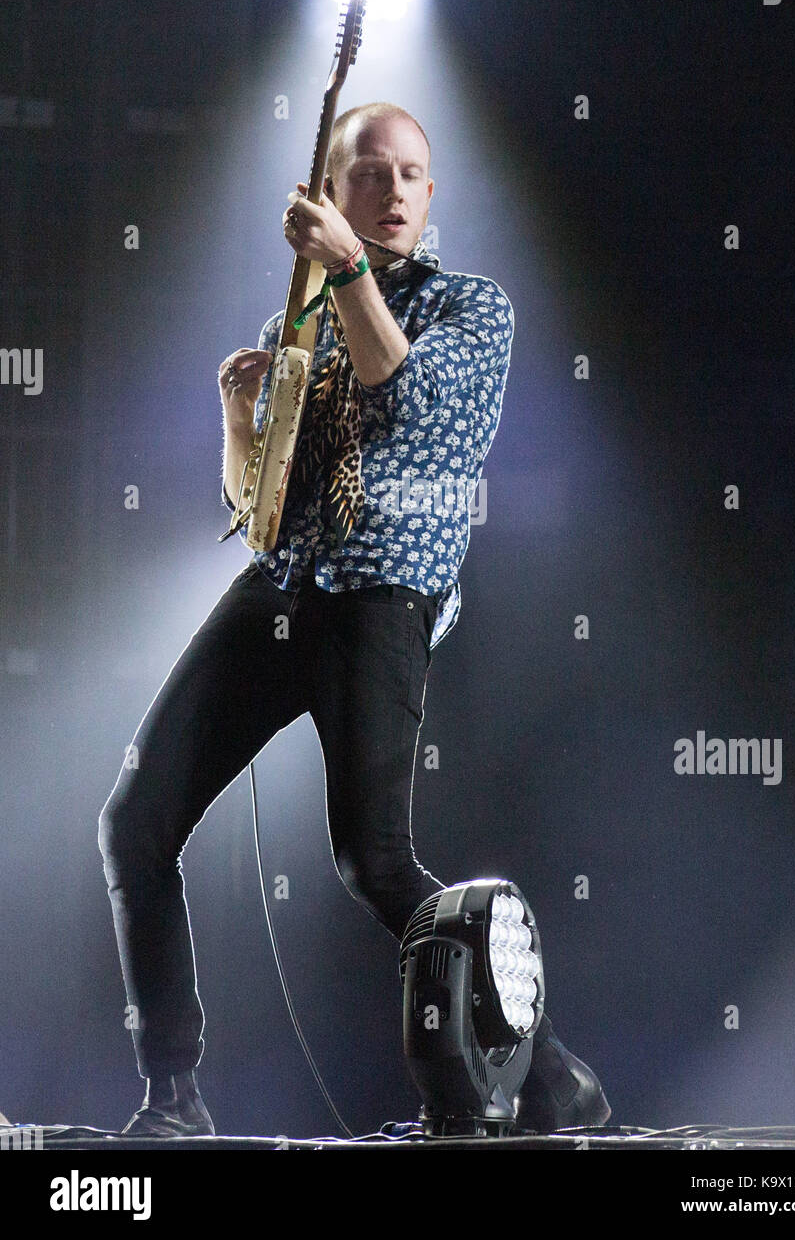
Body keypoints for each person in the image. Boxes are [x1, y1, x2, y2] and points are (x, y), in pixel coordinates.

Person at [98, 102, 610, 1136]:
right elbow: (261, 508)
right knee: (134, 823)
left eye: (408, 175)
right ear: (328, 192)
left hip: (382, 596)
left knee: (372, 863)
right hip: (282, 590)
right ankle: (173, 1094)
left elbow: (405, 402)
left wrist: (342, 273)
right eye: (366, 175)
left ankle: (549, 1069)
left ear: (430, 195)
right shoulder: (300, 317)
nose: (389, 192)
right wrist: (239, 416)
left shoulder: (472, 308)